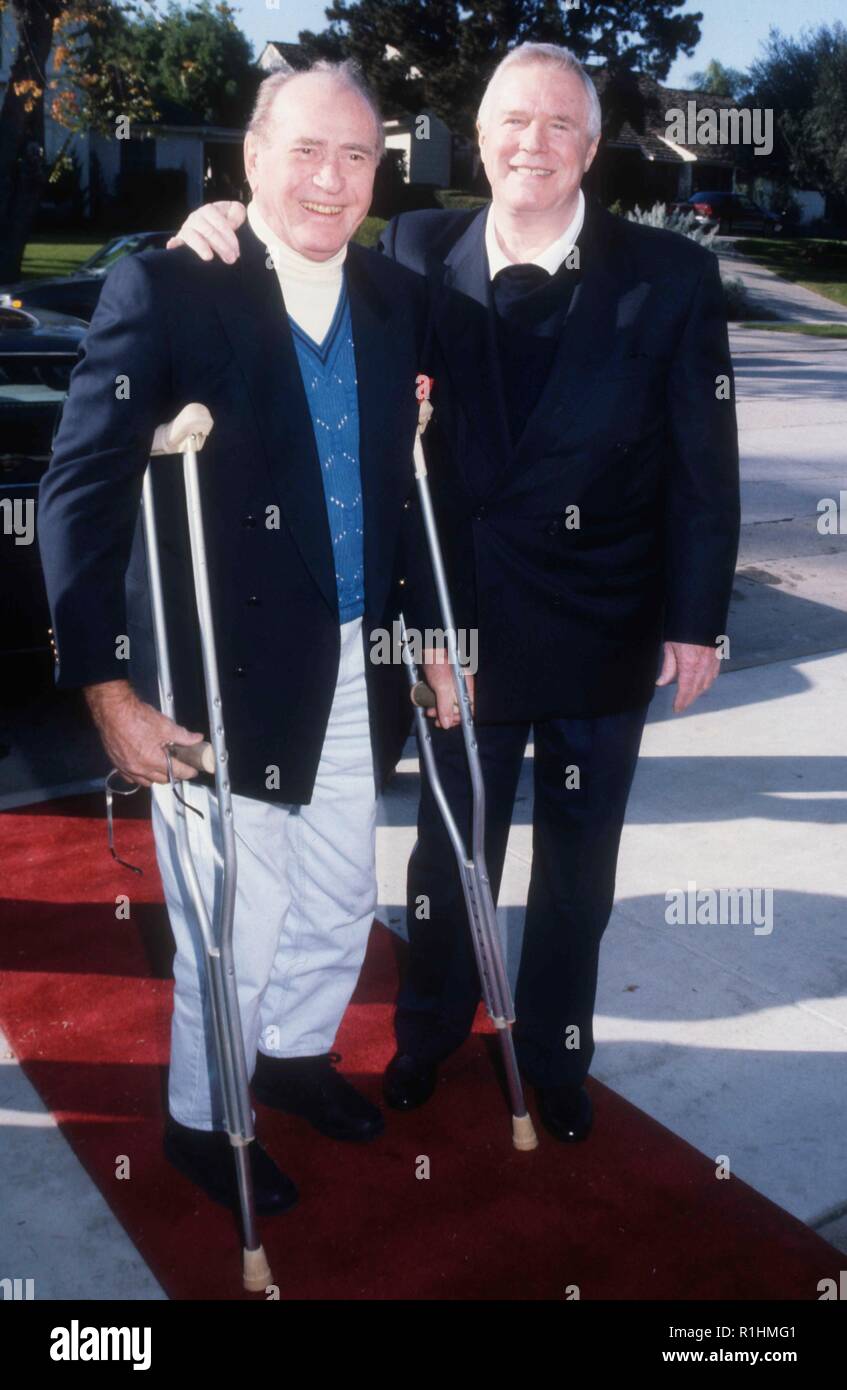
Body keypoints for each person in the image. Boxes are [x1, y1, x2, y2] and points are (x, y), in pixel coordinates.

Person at [167, 42, 740, 1145]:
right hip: (453, 626)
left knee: (578, 865)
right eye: (513, 122)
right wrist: (210, 233)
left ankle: (556, 1053)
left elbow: (700, 461)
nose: (534, 144)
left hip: (601, 624)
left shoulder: (668, 278)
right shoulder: (417, 247)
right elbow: (293, 268)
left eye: (561, 126)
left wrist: (694, 617)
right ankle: (425, 1036)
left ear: (592, 146)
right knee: (446, 853)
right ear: (477, 138)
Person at [37, 60, 429, 1217]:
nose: (329, 177)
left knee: (339, 890)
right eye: (303, 149)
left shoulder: (397, 292)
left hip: (361, 656)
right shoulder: (169, 288)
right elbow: (76, 494)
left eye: (356, 155)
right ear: (248, 158)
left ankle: (299, 1056)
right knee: (235, 920)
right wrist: (106, 687)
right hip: (225, 674)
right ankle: (205, 1121)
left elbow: (508, 261)